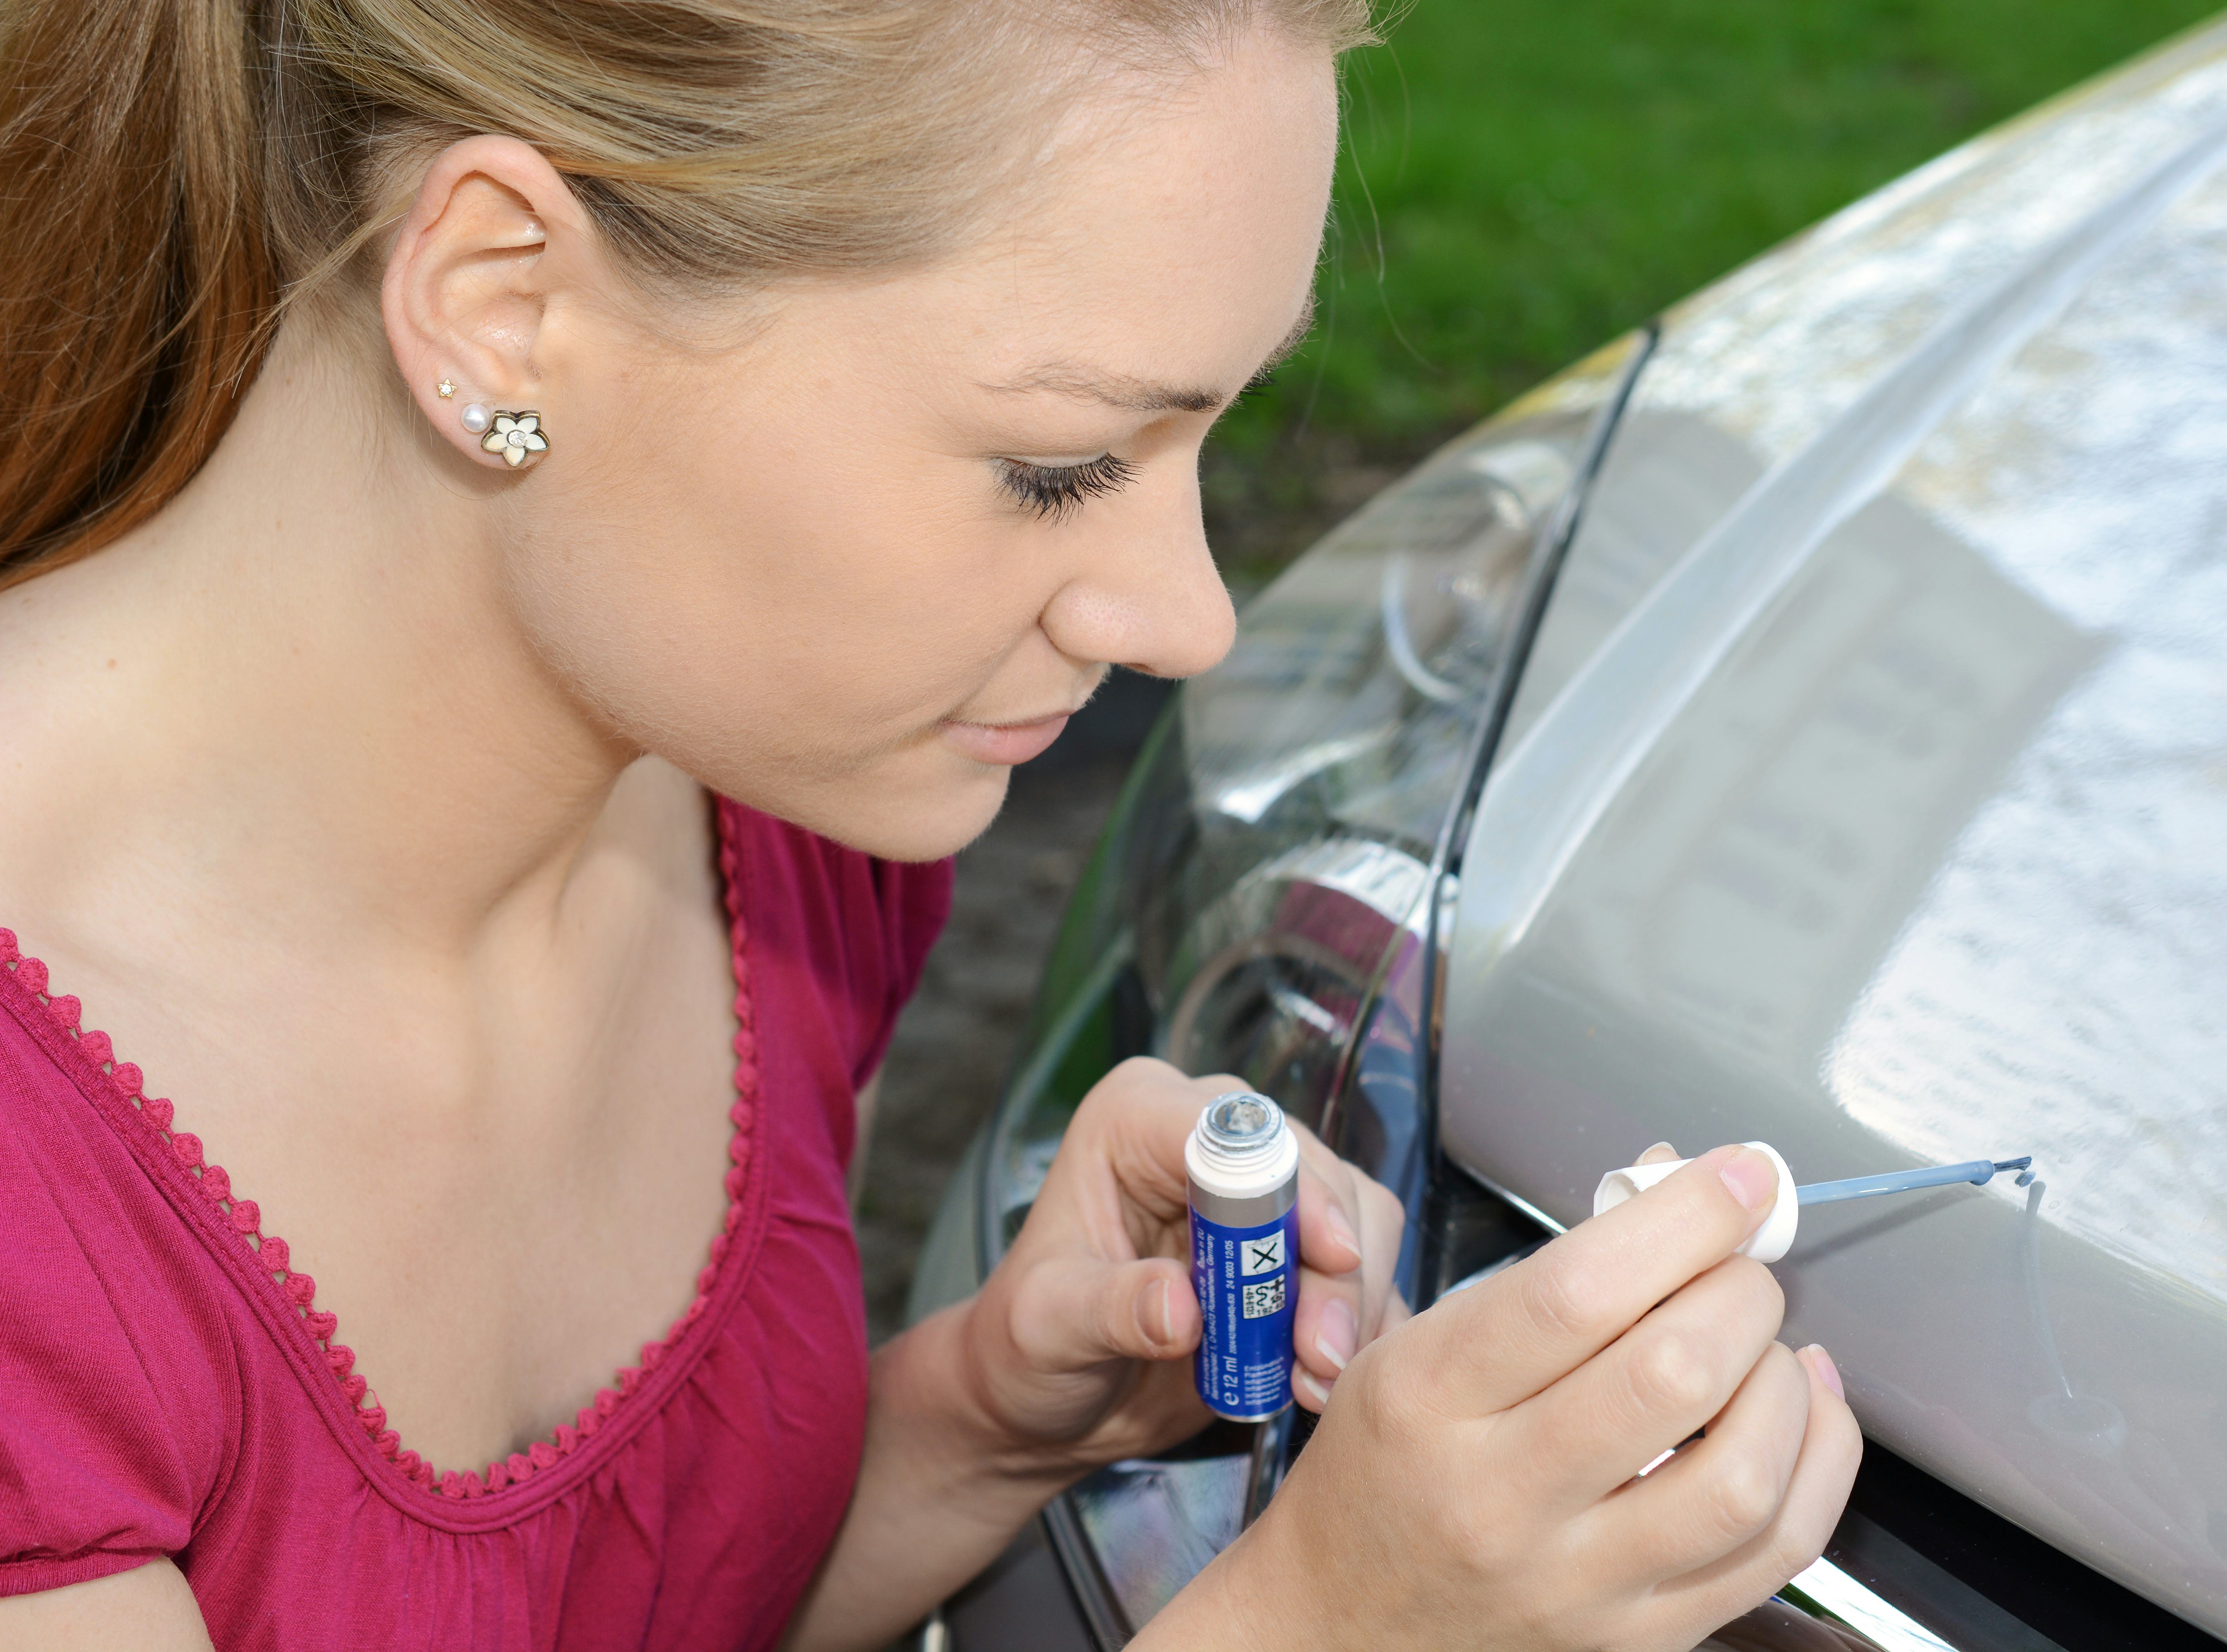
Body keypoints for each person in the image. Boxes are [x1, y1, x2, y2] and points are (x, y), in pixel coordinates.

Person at [0, 0, 1860, 1645]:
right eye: (1059, 467)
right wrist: (1345, 1622)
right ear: (505, 306)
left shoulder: (782, 825)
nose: (1189, 618)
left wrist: (978, 1427)